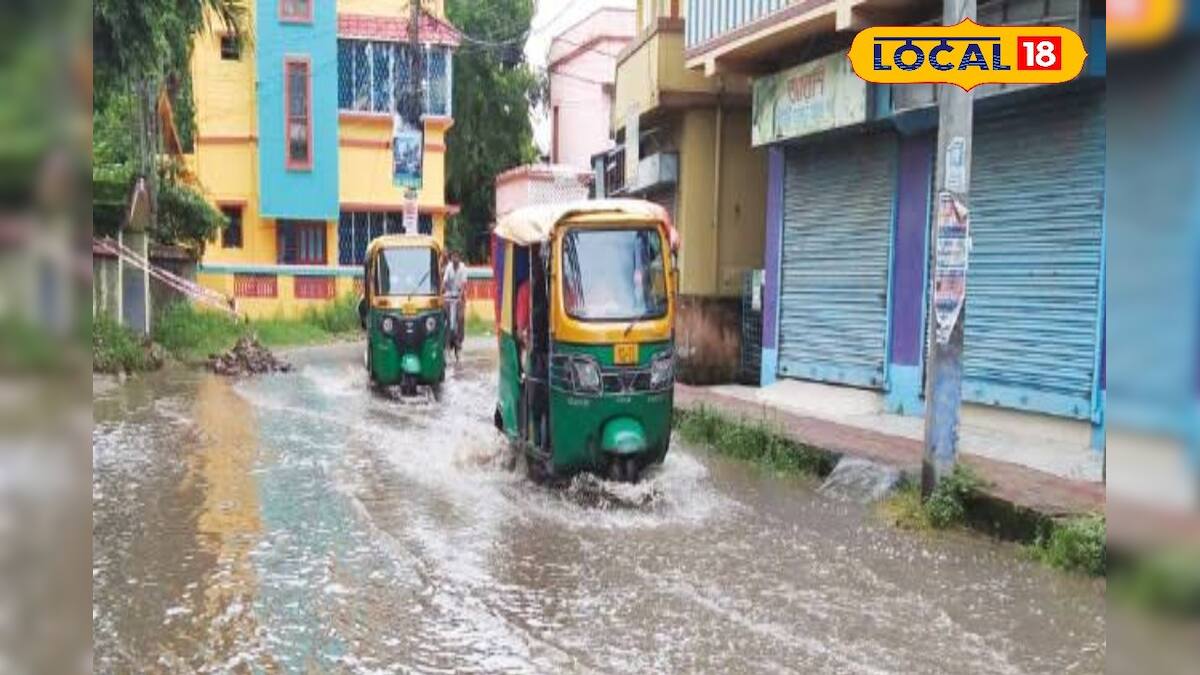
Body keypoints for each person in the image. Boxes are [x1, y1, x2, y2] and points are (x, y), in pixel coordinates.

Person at [442, 251, 469, 354]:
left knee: (460, 317)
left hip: (459, 295)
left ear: (459, 258)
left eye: (456, 257)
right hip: (449, 295)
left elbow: (464, 284)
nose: (454, 259)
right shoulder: (448, 267)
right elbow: (444, 282)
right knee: (447, 318)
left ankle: (459, 340)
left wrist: (461, 295)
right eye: (453, 257)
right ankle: (447, 341)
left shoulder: (463, 268)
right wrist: (443, 291)